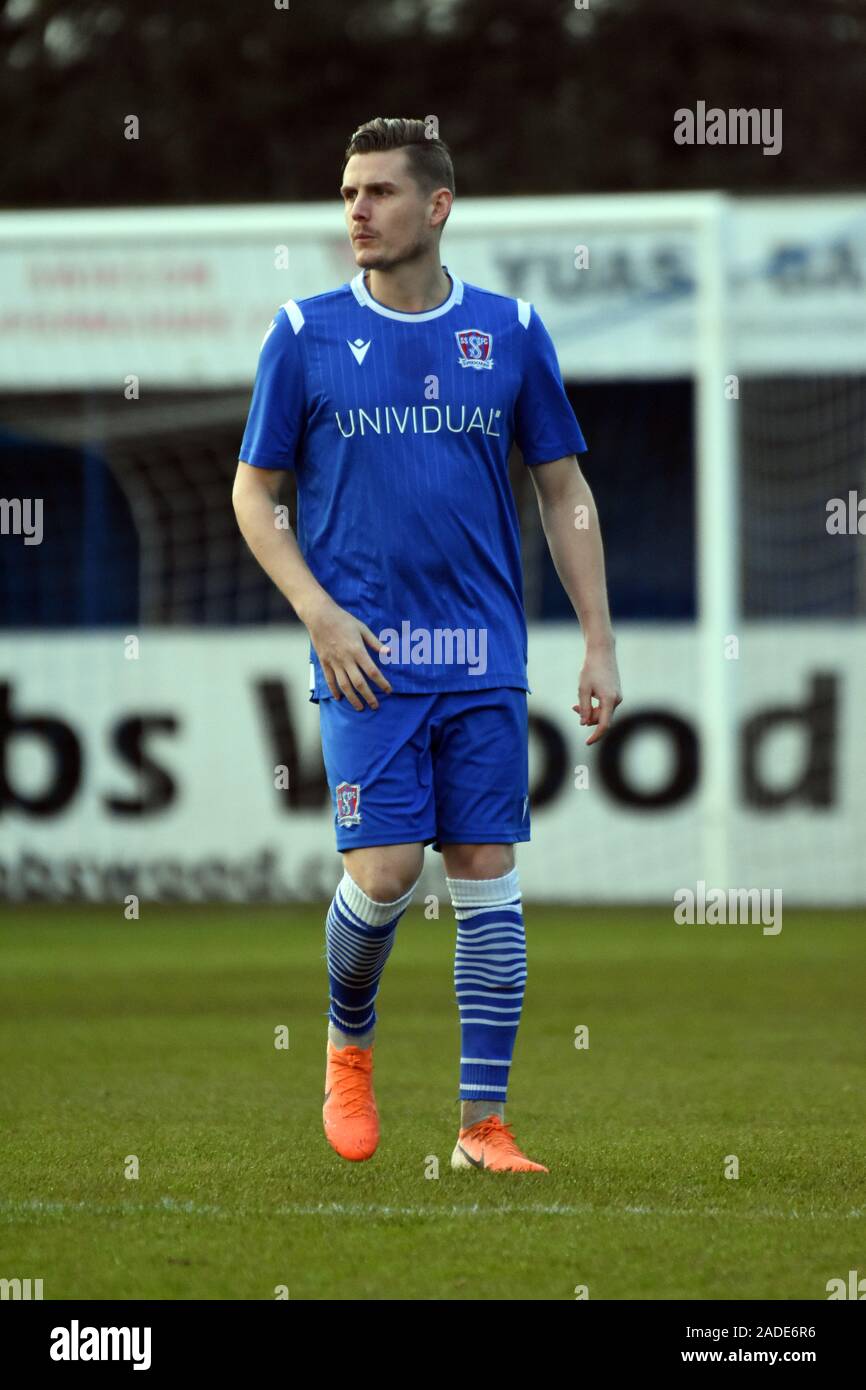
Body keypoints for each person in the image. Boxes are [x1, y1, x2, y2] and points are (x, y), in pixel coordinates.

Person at [233, 116, 622, 1174]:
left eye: (378, 192)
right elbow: (253, 493)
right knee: (387, 872)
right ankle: (347, 1044)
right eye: (346, 191)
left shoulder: (508, 329)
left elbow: (562, 487)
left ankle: (479, 1127)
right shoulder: (301, 333)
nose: (354, 209)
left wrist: (596, 640)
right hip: (366, 657)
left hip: (483, 655)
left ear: (436, 206)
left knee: (486, 869)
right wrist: (316, 610)